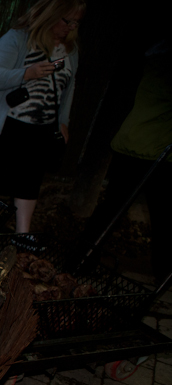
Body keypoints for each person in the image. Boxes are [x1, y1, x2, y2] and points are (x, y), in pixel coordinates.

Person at [0, 0, 85, 234]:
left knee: (28, 182)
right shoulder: (18, 39)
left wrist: (63, 122)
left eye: (77, 22)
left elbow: (68, 89)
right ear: (51, 14)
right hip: (3, 125)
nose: (71, 27)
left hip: (40, 129)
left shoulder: (71, 50)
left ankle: (22, 235)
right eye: (67, 20)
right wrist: (26, 74)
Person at [78, 39, 171, 282]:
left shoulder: (152, 63)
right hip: (153, 152)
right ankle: (164, 274)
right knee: (160, 217)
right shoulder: (164, 68)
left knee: (113, 209)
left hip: (134, 145)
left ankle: (80, 260)